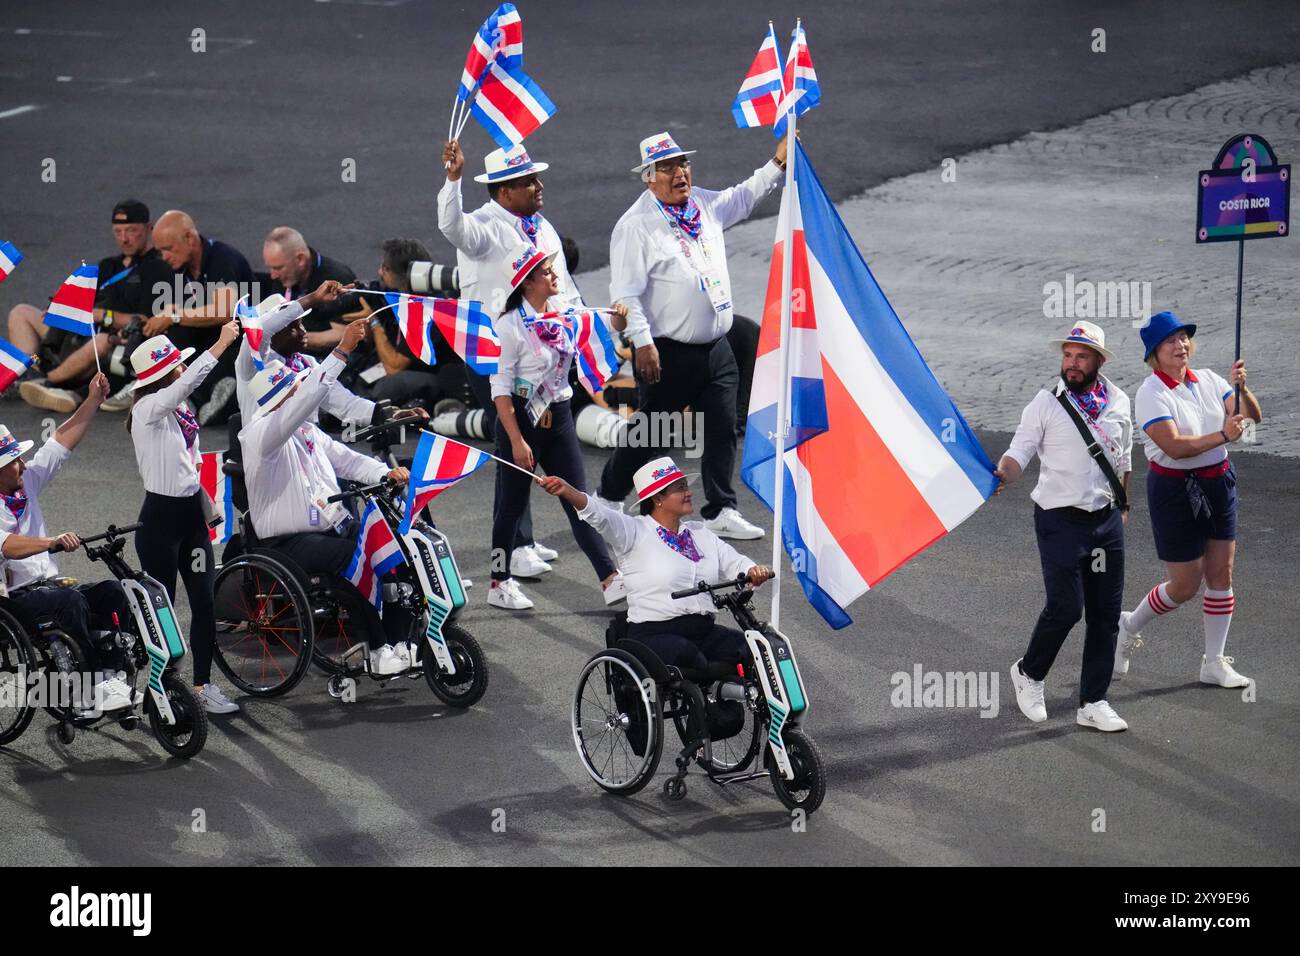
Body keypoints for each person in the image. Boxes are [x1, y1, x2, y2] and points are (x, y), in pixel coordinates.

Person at [596, 131, 789, 540]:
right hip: (667, 350)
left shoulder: (702, 203)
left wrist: (777, 163)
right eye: (667, 167)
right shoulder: (635, 226)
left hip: (716, 346)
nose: (679, 172)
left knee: (721, 426)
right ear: (649, 177)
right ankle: (609, 494)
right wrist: (642, 342)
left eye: (682, 163)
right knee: (651, 431)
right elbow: (625, 293)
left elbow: (742, 197)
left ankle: (720, 508)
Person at [239, 320, 413, 676]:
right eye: (293, 393)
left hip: (327, 527)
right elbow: (305, 400)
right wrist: (342, 351)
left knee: (392, 546)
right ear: (280, 399)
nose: (301, 399)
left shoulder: (306, 431)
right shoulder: (259, 437)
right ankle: (378, 650)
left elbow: (347, 460)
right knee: (357, 558)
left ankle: (400, 640)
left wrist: (385, 473)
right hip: (286, 543)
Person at [440, 141, 575, 577]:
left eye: (536, 179)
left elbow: (564, 286)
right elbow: (451, 226)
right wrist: (454, 179)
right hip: (491, 354)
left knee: (526, 445)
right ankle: (513, 548)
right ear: (502, 192)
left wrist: (583, 329)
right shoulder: (482, 227)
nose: (538, 187)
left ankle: (524, 538)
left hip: (537, 354)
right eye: (527, 182)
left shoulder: (541, 227)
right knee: (513, 445)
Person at [995, 322, 1132, 732]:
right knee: (1066, 607)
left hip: (1105, 521)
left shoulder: (1119, 402)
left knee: (1105, 615)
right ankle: (1030, 673)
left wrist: (1124, 503)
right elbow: (1019, 451)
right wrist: (1003, 473)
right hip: (1059, 520)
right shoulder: (1045, 403)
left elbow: (1123, 458)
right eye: (1068, 356)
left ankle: (1093, 701)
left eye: (1081, 356)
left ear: (1099, 361)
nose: (1072, 364)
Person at [1115, 310, 1261, 689]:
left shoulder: (1211, 380)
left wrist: (1242, 389)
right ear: (1154, 353)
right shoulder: (1150, 392)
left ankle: (1213, 662)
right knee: (1184, 585)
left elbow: (1252, 417)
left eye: (1183, 338)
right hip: (1174, 490)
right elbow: (1175, 447)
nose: (1180, 345)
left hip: (1218, 483)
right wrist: (1224, 437)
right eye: (1170, 341)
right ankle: (1128, 624)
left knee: (1221, 573)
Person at [487, 243, 626, 611]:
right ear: (527, 282)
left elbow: (603, 325)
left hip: (559, 415)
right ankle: (499, 581)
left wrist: (622, 320)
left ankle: (609, 578)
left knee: (578, 500)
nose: (554, 275)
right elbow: (500, 391)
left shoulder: (563, 313)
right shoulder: (508, 327)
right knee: (511, 508)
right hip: (521, 421)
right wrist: (516, 440)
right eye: (546, 271)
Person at [539, 457, 771, 671]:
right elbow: (600, 515)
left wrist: (751, 570)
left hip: (703, 629)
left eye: (686, 486)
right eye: (680, 488)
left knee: (753, 649)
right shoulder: (634, 531)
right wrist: (567, 491)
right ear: (658, 498)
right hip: (653, 632)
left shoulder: (701, 534)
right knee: (692, 658)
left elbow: (735, 561)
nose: (688, 492)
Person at [126, 324, 243, 714]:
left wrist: (206, 504)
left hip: (190, 516)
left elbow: (188, 464)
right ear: (165, 374)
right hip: (159, 523)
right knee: (163, 612)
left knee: (204, 602)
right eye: (178, 365)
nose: (183, 369)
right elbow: (186, 384)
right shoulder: (147, 409)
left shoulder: (179, 409)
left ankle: (201, 687)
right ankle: (155, 688)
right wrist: (223, 342)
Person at [0, 383, 137, 713]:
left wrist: (92, 400)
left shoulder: (26, 481)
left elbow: (60, 442)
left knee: (115, 592)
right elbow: (7, 546)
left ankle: (113, 672)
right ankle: (85, 686)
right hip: (13, 600)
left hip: (48, 587)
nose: (22, 464)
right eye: (13, 460)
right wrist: (52, 542)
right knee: (71, 601)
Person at [14, 199, 173, 414]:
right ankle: (29, 374)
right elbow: (86, 300)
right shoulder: (108, 265)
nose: (124, 239)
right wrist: (62, 310)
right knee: (21, 312)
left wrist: (102, 316)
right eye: (117, 232)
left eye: (131, 231)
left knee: (100, 341)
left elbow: (146, 321)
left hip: (108, 344)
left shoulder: (158, 268)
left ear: (149, 228)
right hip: (81, 333)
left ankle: (48, 382)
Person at [149, 209, 255, 424]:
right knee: (175, 332)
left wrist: (174, 315)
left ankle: (213, 399)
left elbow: (225, 311)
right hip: (210, 341)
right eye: (160, 251)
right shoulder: (181, 267)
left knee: (177, 322)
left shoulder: (223, 259)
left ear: (190, 238)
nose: (164, 257)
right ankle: (192, 397)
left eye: (168, 249)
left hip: (239, 342)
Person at [233, 279, 385, 429]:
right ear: (274, 332)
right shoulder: (253, 364)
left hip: (308, 443)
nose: (303, 331)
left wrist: (385, 415)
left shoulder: (307, 363)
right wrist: (314, 298)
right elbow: (262, 331)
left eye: (301, 324)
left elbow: (345, 404)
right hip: (267, 447)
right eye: (292, 327)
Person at [258, 227, 358, 358]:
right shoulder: (285, 276)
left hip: (324, 358)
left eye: (278, 268)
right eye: (271, 268)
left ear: (300, 259)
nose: (273, 276)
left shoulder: (337, 278)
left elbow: (342, 333)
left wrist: (292, 339)